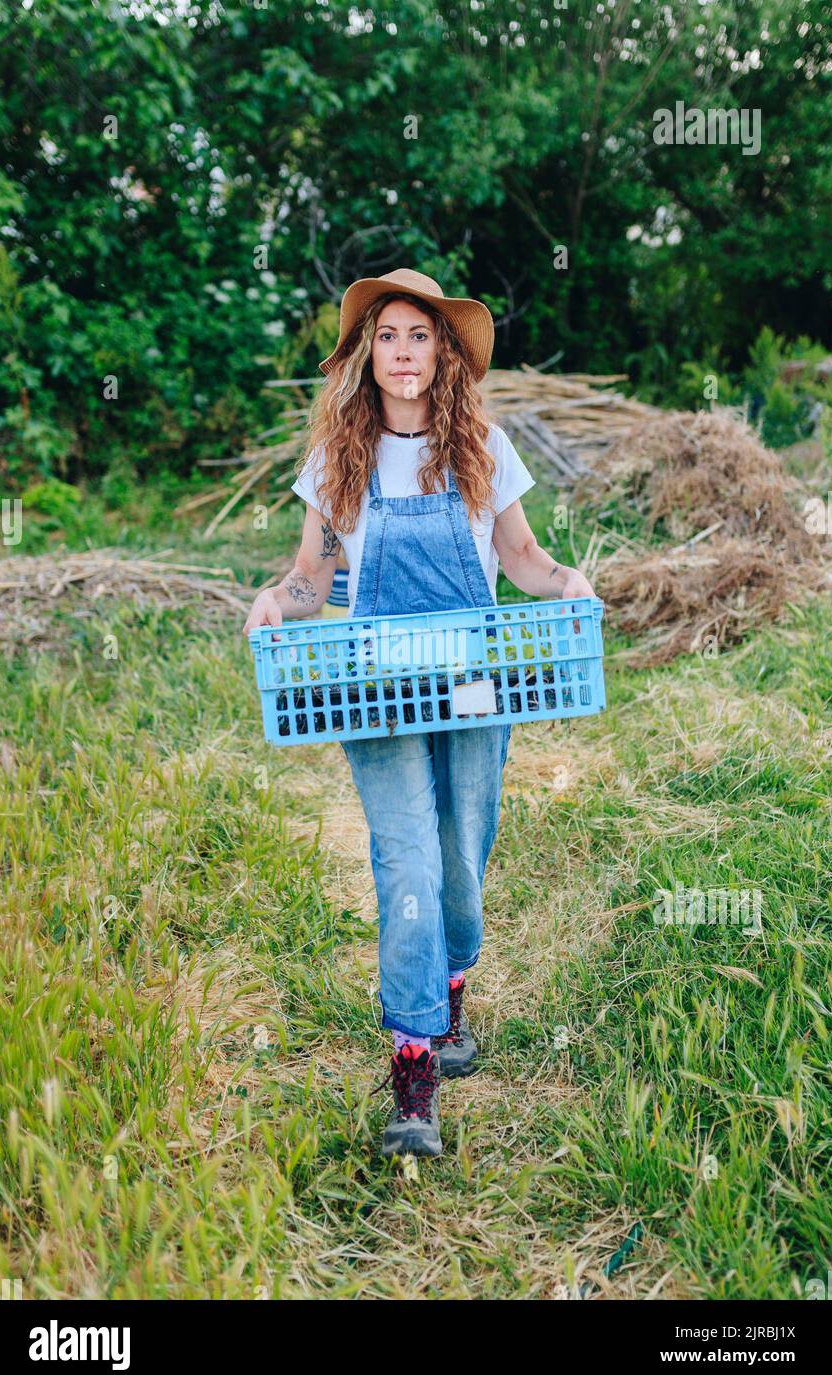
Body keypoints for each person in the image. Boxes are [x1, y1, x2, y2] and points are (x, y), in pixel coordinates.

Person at [243, 267, 594, 1159]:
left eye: (420, 336)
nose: (403, 353)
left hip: (477, 682)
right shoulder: (338, 461)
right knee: (406, 861)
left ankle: (451, 991)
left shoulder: (484, 447)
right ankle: (412, 1069)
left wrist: (569, 583)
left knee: (459, 859)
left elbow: (523, 559)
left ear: (444, 352)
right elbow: (313, 577)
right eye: (389, 336)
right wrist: (277, 602)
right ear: (370, 353)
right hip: (375, 686)